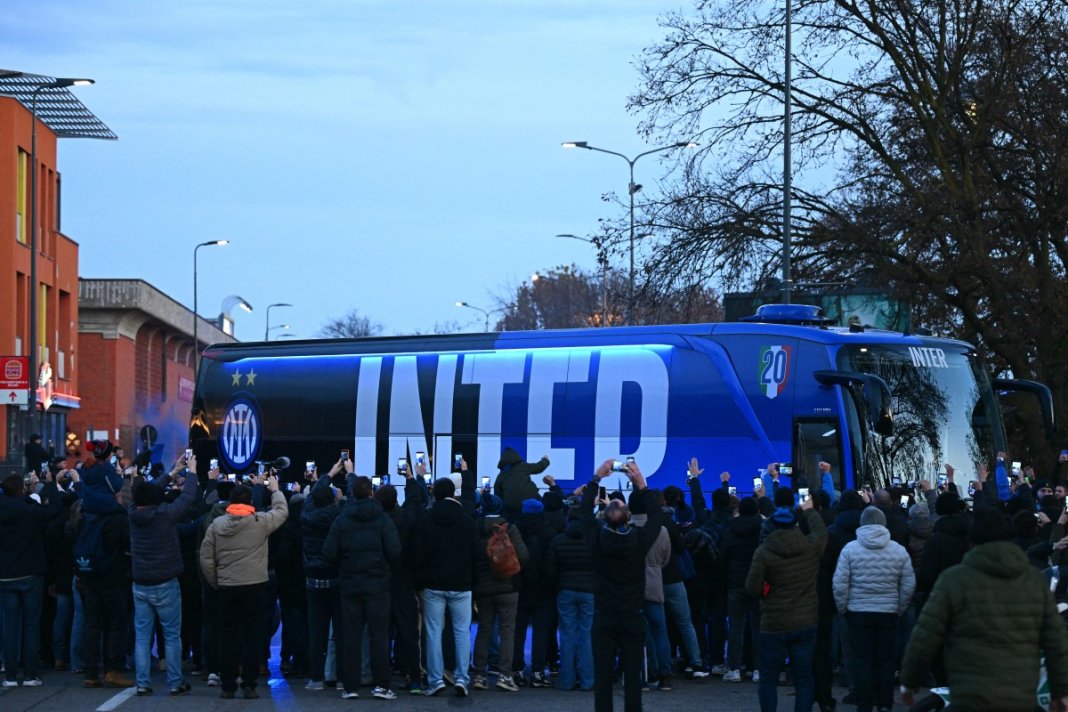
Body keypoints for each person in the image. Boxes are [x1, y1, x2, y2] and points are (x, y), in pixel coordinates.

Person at [901, 506, 1068, 711]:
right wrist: (1060, 691)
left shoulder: (954, 580)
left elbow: (925, 637)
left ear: (972, 541)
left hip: (969, 694)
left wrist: (910, 681)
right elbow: (1055, 642)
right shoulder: (1034, 580)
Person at [581, 459, 664, 712]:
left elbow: (583, 513)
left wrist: (596, 478)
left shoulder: (596, 540)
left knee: (603, 680)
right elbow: (657, 518)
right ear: (629, 517)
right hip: (632, 616)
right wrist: (641, 485)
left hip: (604, 616)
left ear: (603, 517)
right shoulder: (639, 540)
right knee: (633, 681)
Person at [199, 475, 289, 700]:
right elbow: (282, 511)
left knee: (228, 636)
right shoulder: (260, 522)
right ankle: (249, 684)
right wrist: (276, 489)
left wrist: (216, 581)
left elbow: (206, 558)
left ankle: (228, 685)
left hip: (227, 586)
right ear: (250, 502)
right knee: (253, 636)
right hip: (255, 586)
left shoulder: (216, 525)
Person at [745, 494, 827, 712]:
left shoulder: (763, 553)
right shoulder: (810, 546)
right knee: (804, 678)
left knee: (769, 679)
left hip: (774, 623)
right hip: (805, 621)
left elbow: (751, 589)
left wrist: (766, 591)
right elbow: (821, 533)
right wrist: (809, 510)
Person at [323, 475, 401, 700]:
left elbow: (329, 554)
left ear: (352, 493)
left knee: (351, 636)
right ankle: (382, 685)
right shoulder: (383, 519)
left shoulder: (342, 519)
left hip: (349, 584)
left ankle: (350, 687)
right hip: (378, 585)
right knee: (379, 636)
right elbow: (395, 552)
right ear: (371, 493)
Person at [128, 456, 200, 696]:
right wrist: (190, 472)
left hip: (140, 582)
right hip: (166, 581)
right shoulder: (165, 514)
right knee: (171, 636)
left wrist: (171, 472)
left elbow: (145, 493)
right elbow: (188, 498)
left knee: (142, 636)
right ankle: (175, 681)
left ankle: (142, 683)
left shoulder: (132, 514)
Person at [832, 507, 915, 712]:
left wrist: (843, 608)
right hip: (888, 613)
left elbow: (840, 583)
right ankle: (885, 703)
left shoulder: (850, 549)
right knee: (886, 661)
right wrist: (899, 608)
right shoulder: (898, 550)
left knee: (862, 660)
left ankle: (864, 703)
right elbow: (908, 584)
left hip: (857, 612)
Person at [412, 477, 480, 697]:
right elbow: (476, 556)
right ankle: (461, 678)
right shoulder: (467, 520)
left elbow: (418, 554)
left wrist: (420, 582)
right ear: (454, 493)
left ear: (435, 493)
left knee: (433, 632)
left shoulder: (426, 519)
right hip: (462, 584)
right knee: (462, 632)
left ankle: (435, 680)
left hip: (433, 584)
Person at [0, 470, 59, 687]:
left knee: (10, 625)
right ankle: (31, 673)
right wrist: (48, 485)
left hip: (6, 575)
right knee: (31, 625)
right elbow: (53, 510)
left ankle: (9, 674)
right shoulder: (29, 510)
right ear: (22, 489)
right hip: (30, 572)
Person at [377, 463, 428, 695]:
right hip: (404, 582)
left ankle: (382, 681)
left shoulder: (376, 522)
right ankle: (414, 679)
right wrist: (411, 478)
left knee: (380, 634)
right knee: (409, 633)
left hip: (380, 583)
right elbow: (416, 505)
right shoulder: (405, 519)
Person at [471, 492, 528, 692]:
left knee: (484, 629)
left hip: (484, 589)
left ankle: (479, 674)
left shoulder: (477, 529)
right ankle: (505, 675)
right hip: (508, 586)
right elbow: (523, 556)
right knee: (507, 630)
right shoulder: (509, 528)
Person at [301, 460, 348, 692]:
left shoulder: (306, 516)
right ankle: (340, 678)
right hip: (337, 579)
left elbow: (311, 498)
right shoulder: (339, 516)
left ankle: (316, 678)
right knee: (340, 631)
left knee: (316, 632)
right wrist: (348, 476)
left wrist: (329, 473)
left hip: (313, 581)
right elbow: (354, 504)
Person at [546, 502, 595, 691]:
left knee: (567, 635)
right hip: (589, 591)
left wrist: (558, 585)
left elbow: (550, 569)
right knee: (587, 635)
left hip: (565, 590)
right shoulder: (593, 539)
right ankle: (588, 680)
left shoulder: (559, 540)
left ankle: (567, 681)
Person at [720, 495, 763, 682]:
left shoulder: (731, 528)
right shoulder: (763, 527)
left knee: (736, 627)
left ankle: (734, 668)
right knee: (758, 626)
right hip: (757, 580)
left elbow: (723, 554)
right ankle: (758, 669)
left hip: (735, 581)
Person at [494, 447, 550, 520]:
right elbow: (539, 467)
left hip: (511, 508)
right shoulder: (523, 466)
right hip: (530, 501)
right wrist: (545, 460)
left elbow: (497, 492)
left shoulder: (502, 474)